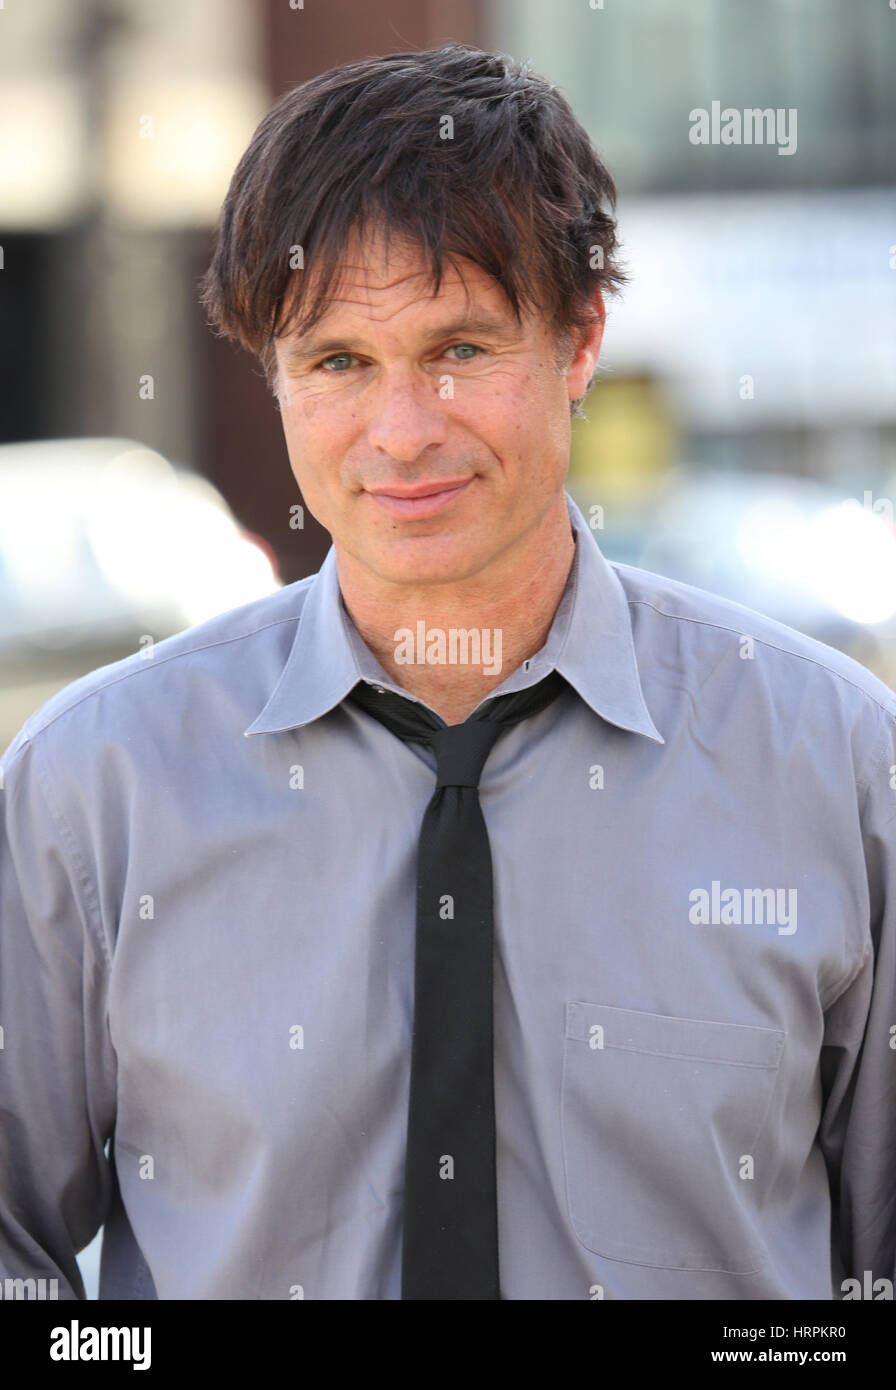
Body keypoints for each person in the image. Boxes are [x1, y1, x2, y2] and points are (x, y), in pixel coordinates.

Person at [1, 43, 894, 1302]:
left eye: (460, 349)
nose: (402, 431)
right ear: (272, 375)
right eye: (337, 363)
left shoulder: (839, 769)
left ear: (578, 340)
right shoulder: (89, 792)